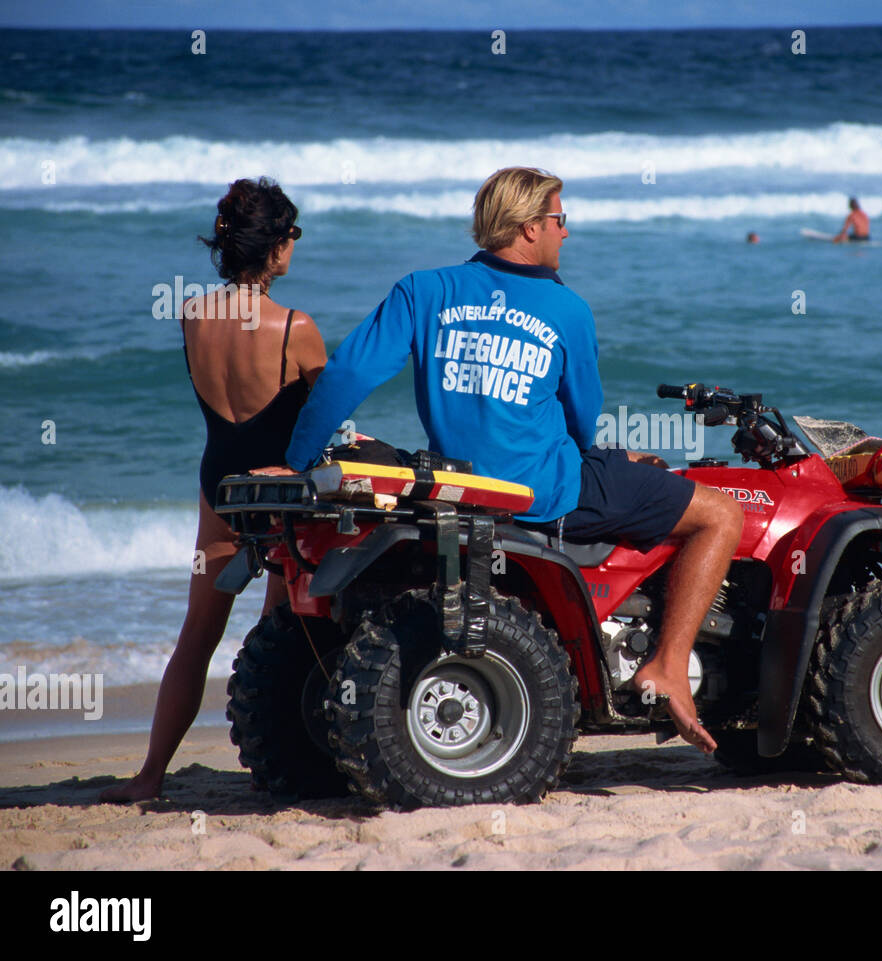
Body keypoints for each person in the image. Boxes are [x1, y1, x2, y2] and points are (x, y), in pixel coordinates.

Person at [284, 166, 742, 753]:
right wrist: (604, 453)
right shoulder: (565, 308)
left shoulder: (424, 290)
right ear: (529, 228)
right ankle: (670, 665)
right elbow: (582, 422)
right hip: (547, 490)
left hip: (463, 483)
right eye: (560, 219)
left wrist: (297, 462)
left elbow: (348, 374)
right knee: (721, 514)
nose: (566, 233)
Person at [101, 178, 327, 802]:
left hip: (220, 488)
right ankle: (283, 755)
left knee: (197, 634)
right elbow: (328, 414)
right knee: (283, 629)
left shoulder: (194, 314)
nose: (294, 248)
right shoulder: (295, 327)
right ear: (277, 245)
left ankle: (150, 776)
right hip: (279, 498)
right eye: (293, 236)